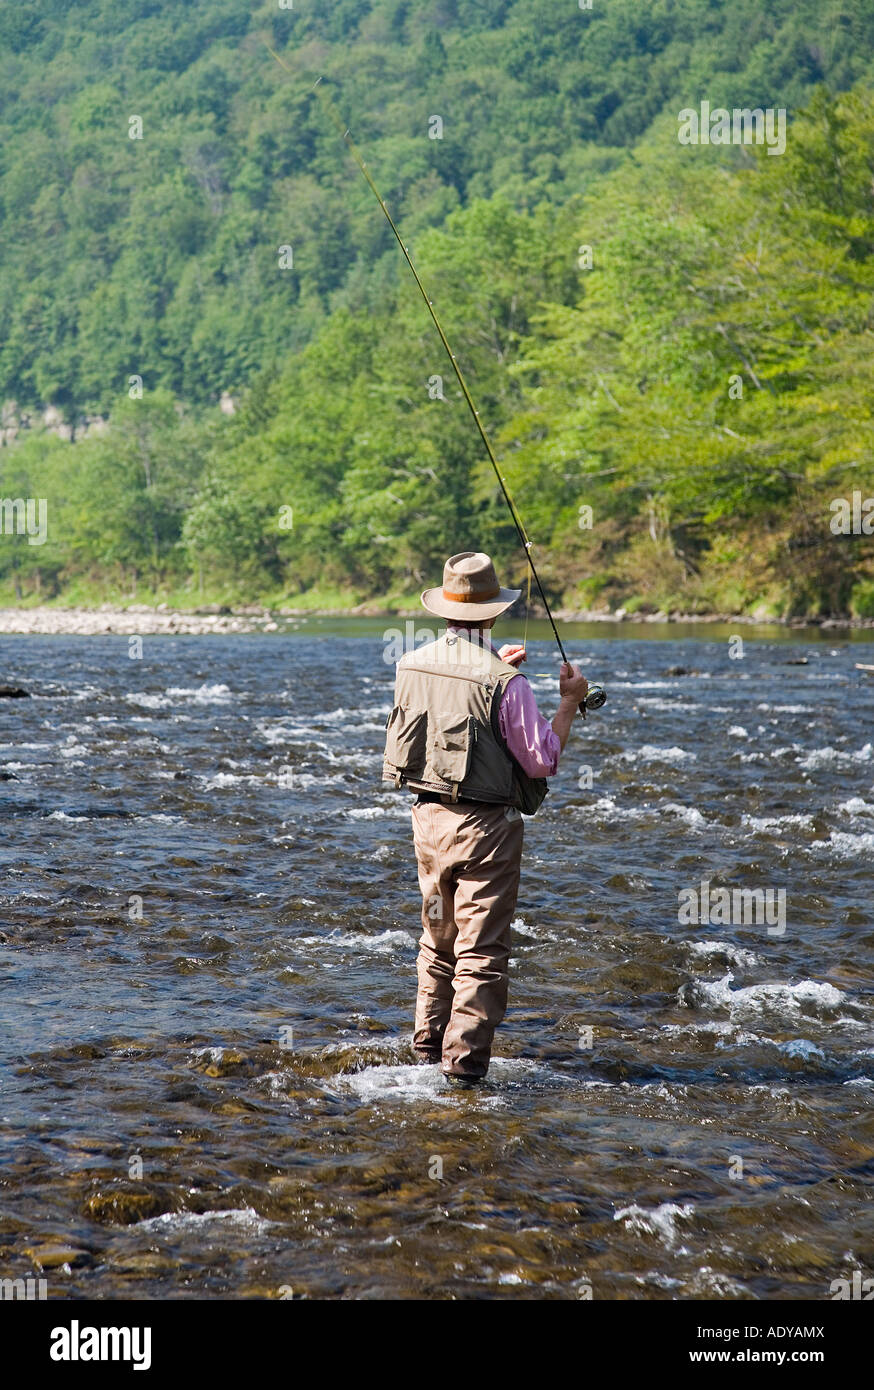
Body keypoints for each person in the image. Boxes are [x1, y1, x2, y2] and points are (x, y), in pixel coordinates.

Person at [383, 550, 590, 1087]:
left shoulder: (410, 663)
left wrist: (499, 669)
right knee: (481, 950)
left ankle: (426, 1051)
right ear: (493, 612)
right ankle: (463, 1072)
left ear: (445, 608)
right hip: (483, 835)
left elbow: (452, 705)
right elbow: (541, 759)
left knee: (437, 938)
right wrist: (568, 703)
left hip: (426, 825)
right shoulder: (508, 684)